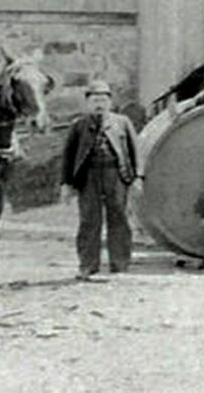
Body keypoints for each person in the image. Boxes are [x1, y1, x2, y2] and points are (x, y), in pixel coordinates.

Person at [59, 79, 141, 280]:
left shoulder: (122, 122)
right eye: (95, 100)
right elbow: (68, 157)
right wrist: (66, 184)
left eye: (104, 100)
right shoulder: (78, 125)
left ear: (110, 102)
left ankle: (120, 265)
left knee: (119, 218)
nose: (99, 104)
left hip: (116, 175)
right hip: (88, 177)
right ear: (88, 103)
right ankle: (88, 266)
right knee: (89, 221)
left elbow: (135, 151)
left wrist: (138, 178)